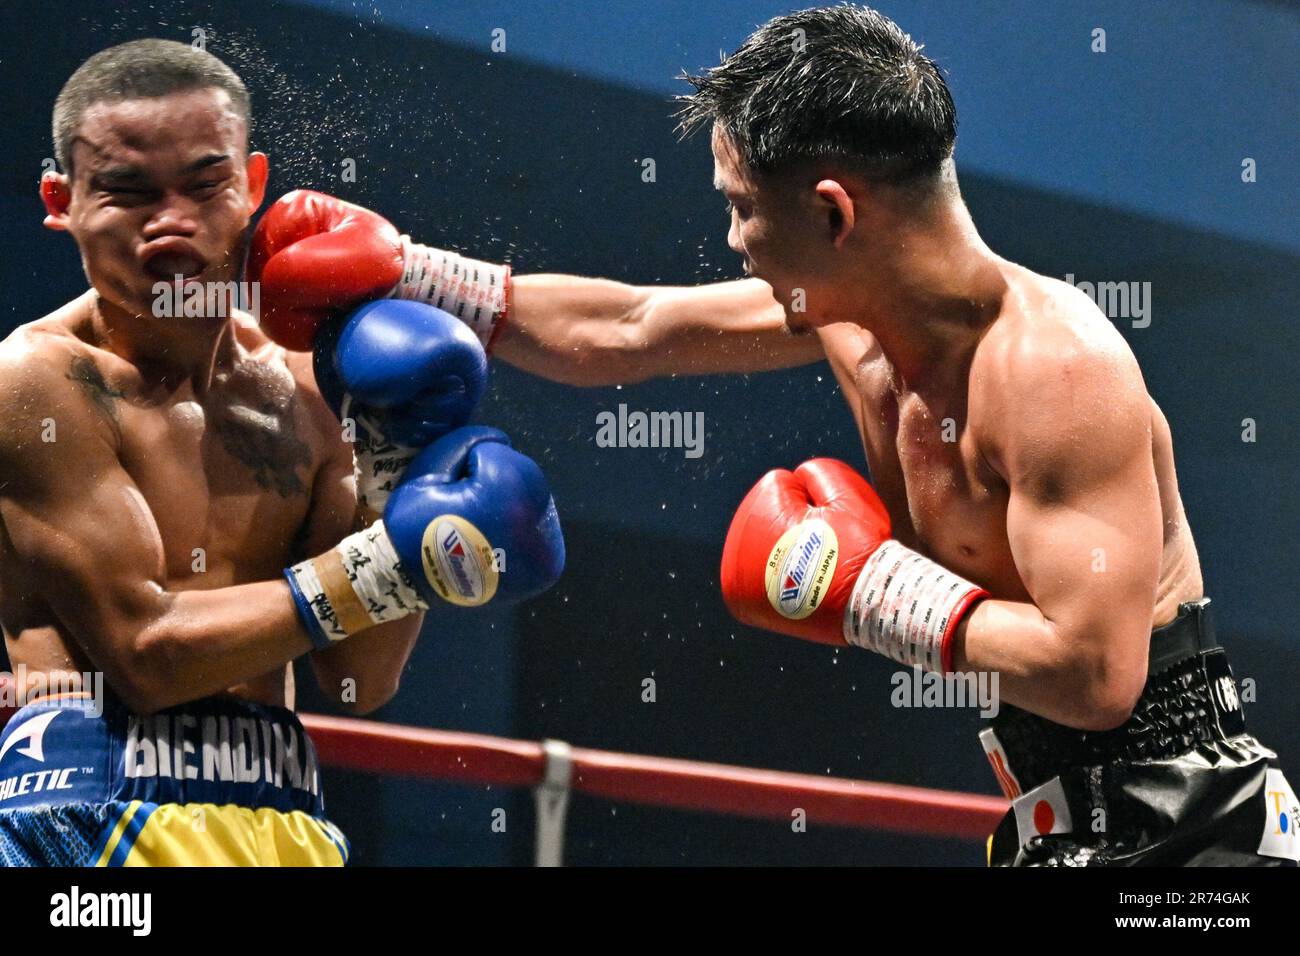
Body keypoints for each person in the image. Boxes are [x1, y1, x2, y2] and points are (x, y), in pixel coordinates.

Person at [248, 5, 1297, 866]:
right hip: (1057, 820)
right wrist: (410, 271)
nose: (732, 237)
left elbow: (1095, 674)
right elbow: (630, 329)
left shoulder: (1055, 370)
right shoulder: (845, 310)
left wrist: (868, 587)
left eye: (743, 207)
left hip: (1194, 830)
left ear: (834, 213)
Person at [0, 38, 563, 867]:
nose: (170, 223)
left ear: (253, 185)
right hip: (93, 815)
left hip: (284, 815)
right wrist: (394, 561)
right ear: (62, 199)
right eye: (127, 192)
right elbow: (147, 656)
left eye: (204, 184)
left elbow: (361, 681)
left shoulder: (306, 386)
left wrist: (397, 466)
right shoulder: (37, 383)